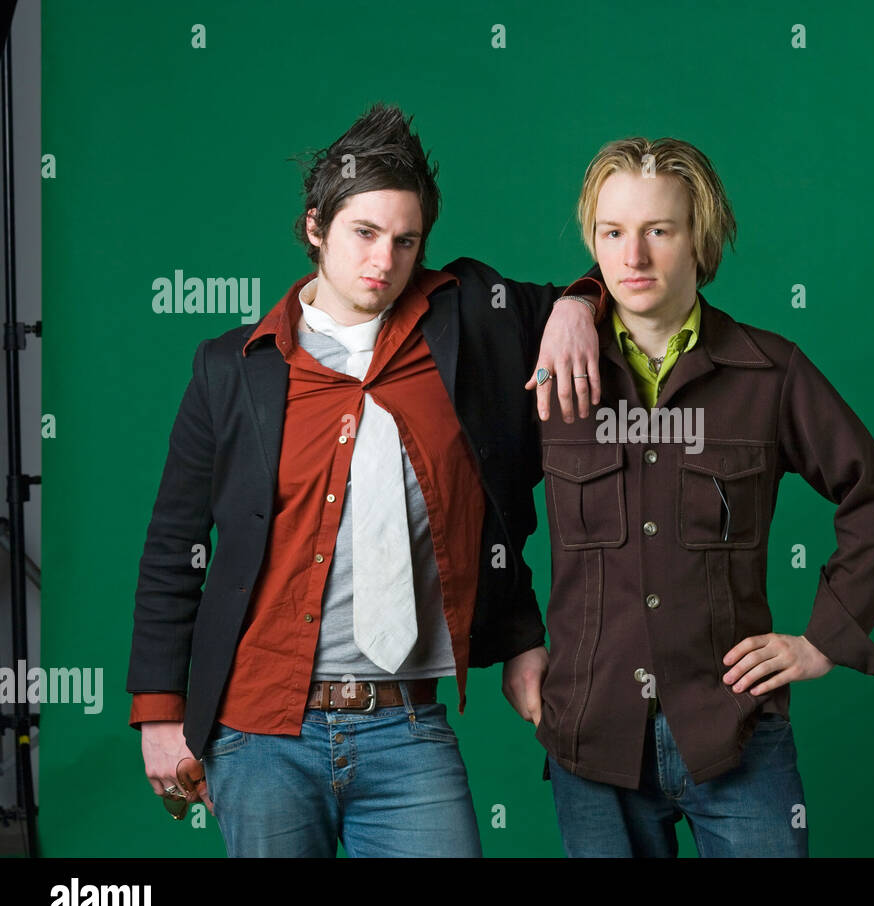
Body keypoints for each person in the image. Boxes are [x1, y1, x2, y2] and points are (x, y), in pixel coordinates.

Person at [126, 104, 604, 857]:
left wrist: (577, 304)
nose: (383, 260)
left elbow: (602, 295)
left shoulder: (469, 319)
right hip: (260, 730)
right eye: (364, 233)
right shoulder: (232, 368)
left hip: (406, 725)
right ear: (316, 227)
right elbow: (171, 546)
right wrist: (159, 716)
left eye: (405, 241)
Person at [533, 137, 874, 857]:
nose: (633, 258)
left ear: (699, 237)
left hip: (736, 732)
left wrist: (823, 639)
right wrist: (518, 640)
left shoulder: (770, 373)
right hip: (591, 735)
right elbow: (481, 504)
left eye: (659, 231)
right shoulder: (550, 373)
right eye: (613, 233)